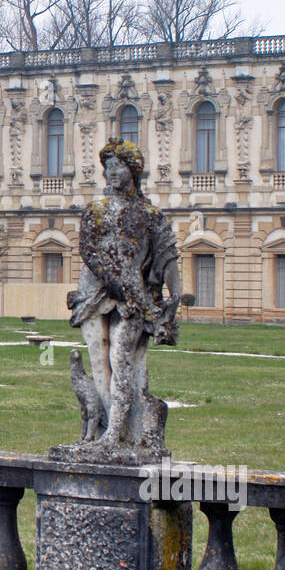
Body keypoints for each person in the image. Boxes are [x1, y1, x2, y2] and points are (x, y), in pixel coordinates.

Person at [67, 140, 181, 455]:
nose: (111, 173)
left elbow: (168, 254)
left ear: (132, 170)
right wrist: (109, 279)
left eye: (117, 166)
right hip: (95, 290)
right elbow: (87, 249)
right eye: (108, 167)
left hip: (131, 295)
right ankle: (104, 425)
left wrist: (176, 294)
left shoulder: (148, 214)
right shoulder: (96, 210)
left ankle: (122, 429)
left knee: (123, 358)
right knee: (98, 355)